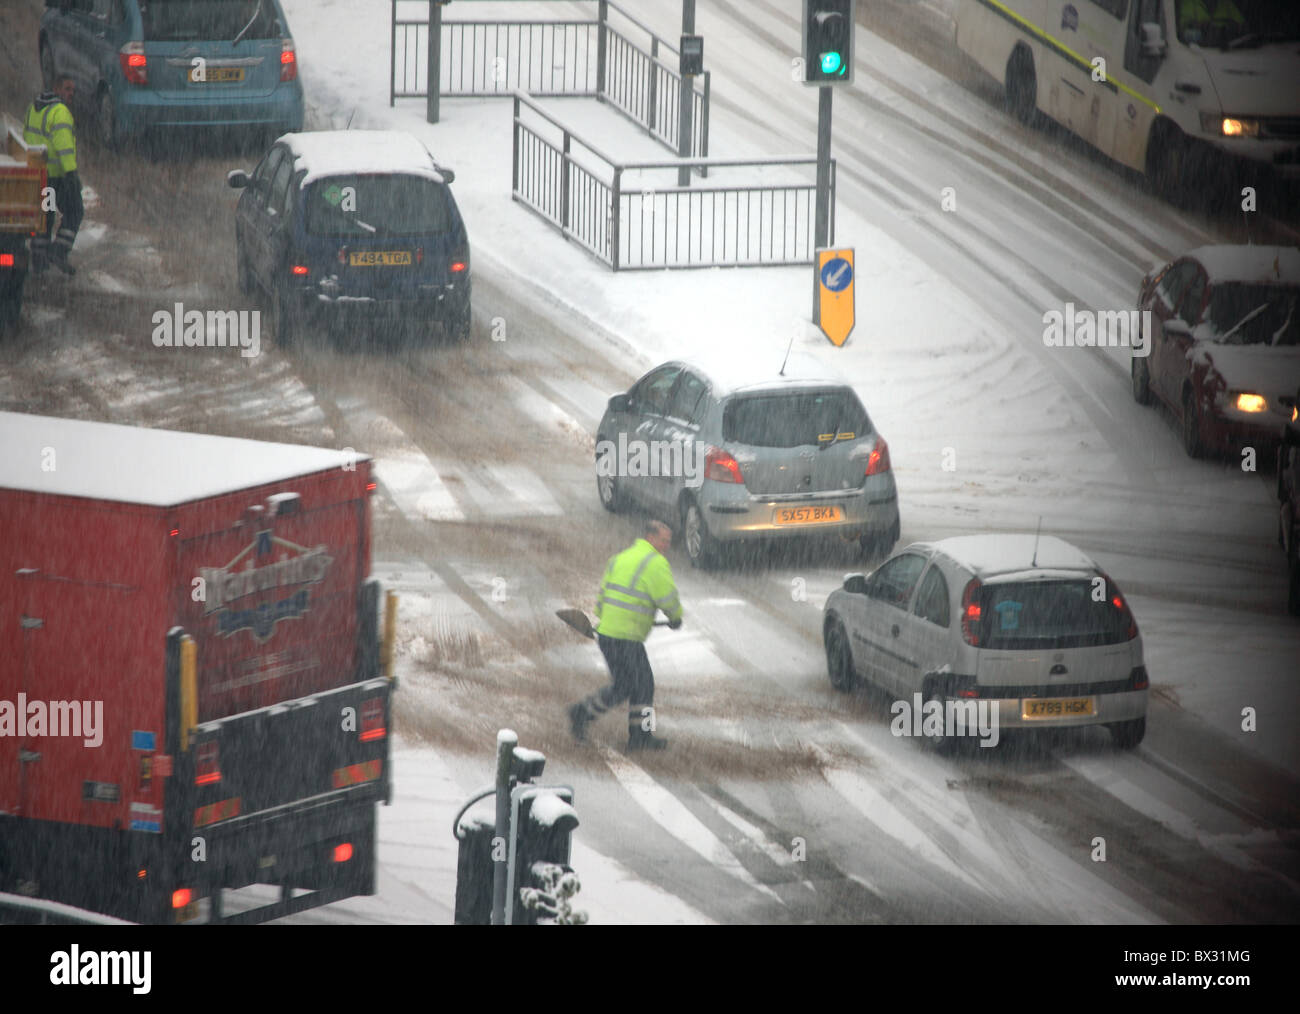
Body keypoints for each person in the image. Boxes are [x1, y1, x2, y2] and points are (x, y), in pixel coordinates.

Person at [568, 519, 683, 751]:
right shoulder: (656, 562)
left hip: (608, 635)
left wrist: (604, 619)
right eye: (664, 540)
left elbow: (603, 596)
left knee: (623, 686)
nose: (667, 545)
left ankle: (582, 712)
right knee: (644, 685)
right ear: (651, 537)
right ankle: (641, 737)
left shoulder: (619, 559)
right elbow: (667, 597)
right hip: (627, 637)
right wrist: (675, 617)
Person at [23, 75, 83, 276]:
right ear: (56, 89)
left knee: (45, 216)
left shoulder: (34, 108)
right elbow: (64, 146)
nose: (71, 94)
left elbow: (25, 136)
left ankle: (39, 258)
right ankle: (59, 251)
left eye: (72, 90)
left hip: (36, 174)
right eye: (67, 89)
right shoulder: (60, 112)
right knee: (75, 211)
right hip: (57, 176)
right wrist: (72, 174)